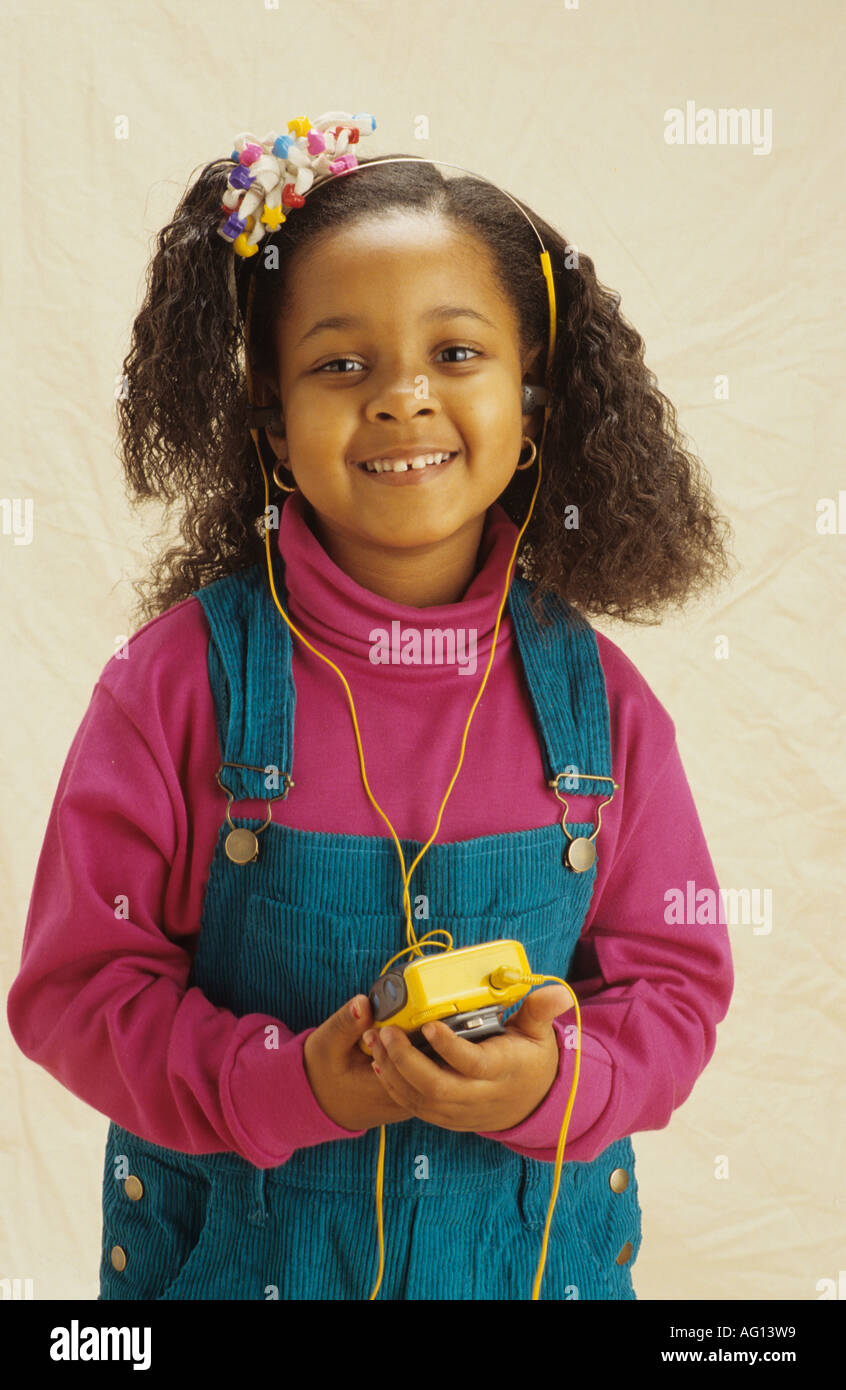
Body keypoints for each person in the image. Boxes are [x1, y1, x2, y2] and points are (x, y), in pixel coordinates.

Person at [7, 114, 736, 1301]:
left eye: (457, 353)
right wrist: (292, 1083)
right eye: (341, 363)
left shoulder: (599, 700)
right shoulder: (178, 683)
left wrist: (561, 1079)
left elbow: (676, 983)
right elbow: (77, 991)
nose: (401, 397)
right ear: (271, 421)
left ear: (534, 400)